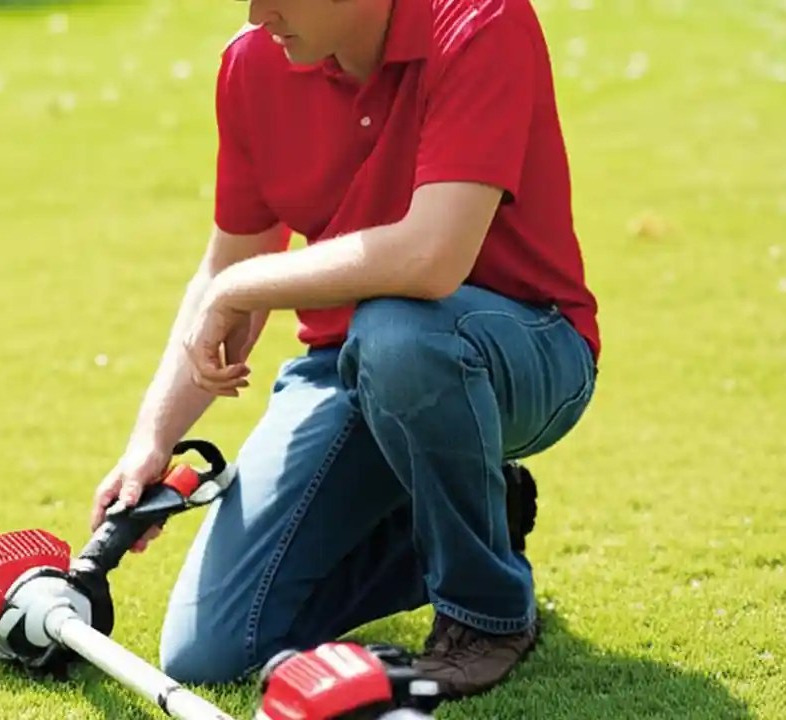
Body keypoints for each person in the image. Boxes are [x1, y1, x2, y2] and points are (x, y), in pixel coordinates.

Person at [88, 0, 599, 700]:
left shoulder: (483, 20)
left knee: (398, 334)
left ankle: (486, 615)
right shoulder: (251, 65)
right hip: (343, 370)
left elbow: (431, 258)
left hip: (526, 350)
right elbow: (227, 266)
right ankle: (475, 514)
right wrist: (151, 440)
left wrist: (242, 286)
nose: (255, 11)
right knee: (206, 651)